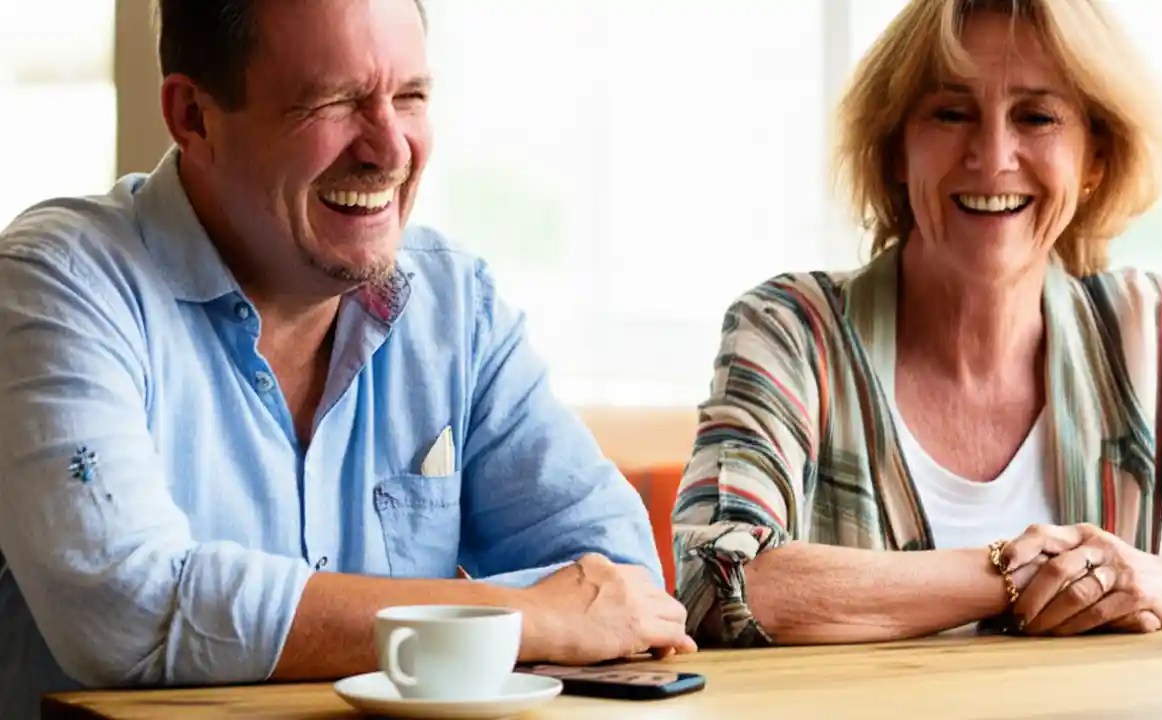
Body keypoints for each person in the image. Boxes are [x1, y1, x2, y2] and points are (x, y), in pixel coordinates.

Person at [0, 0, 694, 716]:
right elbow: (127, 608)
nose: (390, 149)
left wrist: (553, 611)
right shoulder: (58, 282)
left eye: (411, 97)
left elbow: (619, 585)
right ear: (193, 116)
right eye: (333, 102)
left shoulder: (456, 304)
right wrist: (528, 616)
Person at [673, 0, 1162, 648]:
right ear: (897, 152)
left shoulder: (1149, 339)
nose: (992, 157)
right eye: (951, 112)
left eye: (1037, 116)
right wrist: (1016, 572)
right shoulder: (792, 332)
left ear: (1095, 159)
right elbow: (717, 581)